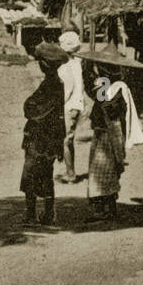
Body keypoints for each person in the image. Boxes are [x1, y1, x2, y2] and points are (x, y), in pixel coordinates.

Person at [84, 44, 143, 220]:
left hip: (109, 130)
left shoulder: (115, 87)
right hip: (109, 130)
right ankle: (109, 208)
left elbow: (109, 106)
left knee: (101, 170)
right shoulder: (111, 85)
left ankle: (102, 210)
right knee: (109, 170)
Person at [21, 41, 67, 224]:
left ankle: (32, 215)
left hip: (40, 138)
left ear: (45, 65)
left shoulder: (51, 86)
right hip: (51, 138)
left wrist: (29, 106)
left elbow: (32, 110)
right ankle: (47, 213)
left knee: (30, 174)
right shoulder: (54, 83)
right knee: (46, 176)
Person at [57, 30, 90, 183]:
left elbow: (67, 88)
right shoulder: (77, 63)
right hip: (77, 104)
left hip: (69, 105)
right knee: (69, 140)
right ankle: (71, 171)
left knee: (65, 140)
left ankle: (70, 173)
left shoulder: (66, 66)